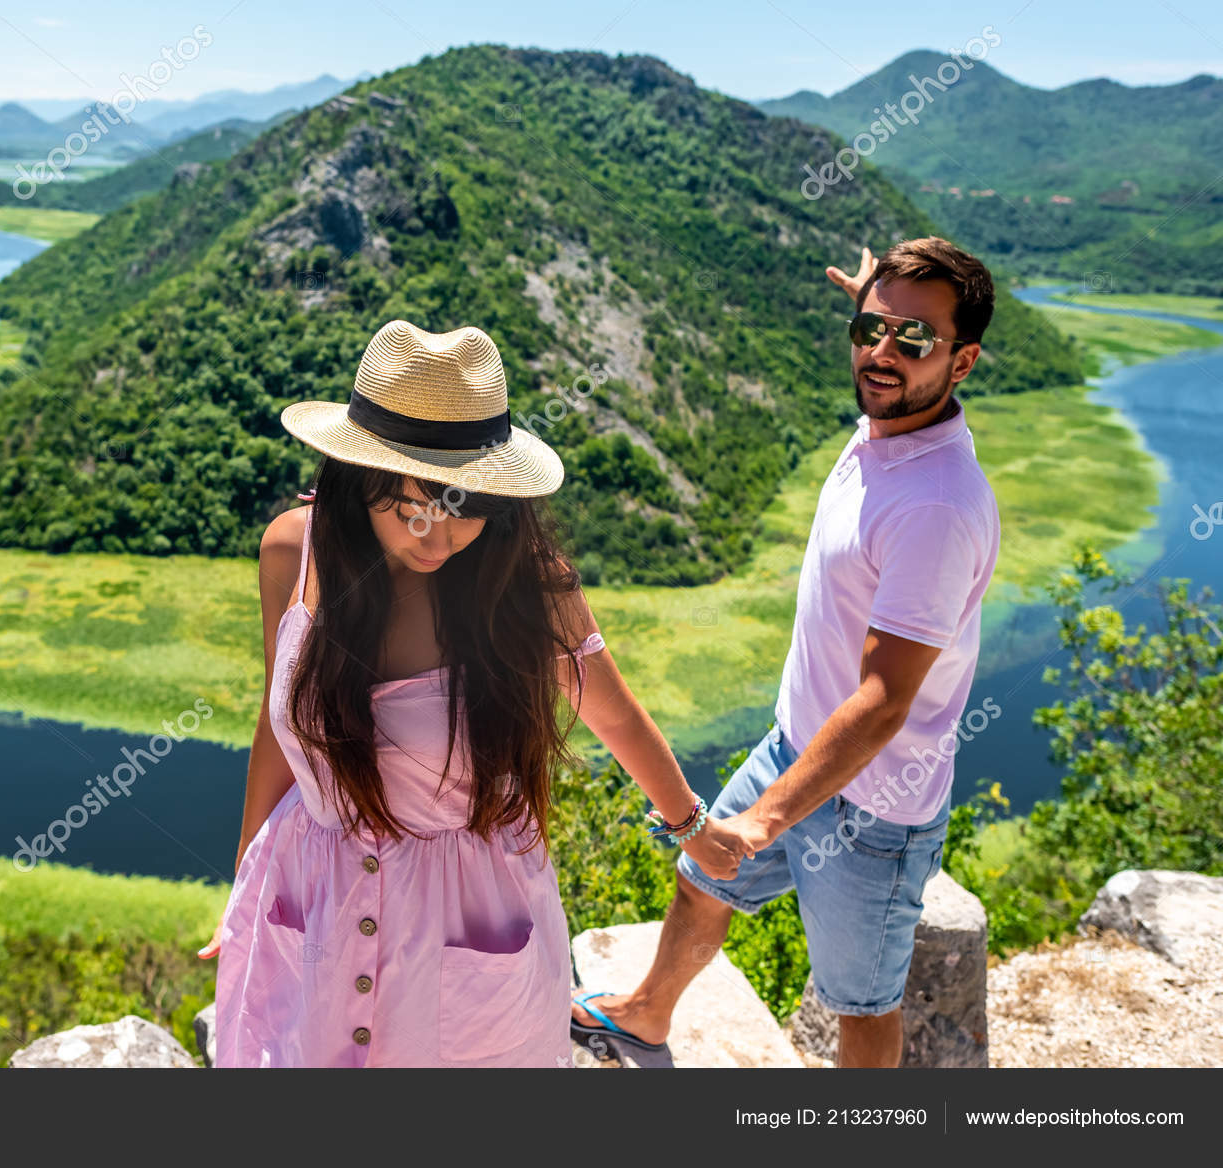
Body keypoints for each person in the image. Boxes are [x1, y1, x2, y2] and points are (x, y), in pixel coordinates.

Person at [197, 319, 750, 1067]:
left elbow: (609, 710)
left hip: (465, 908)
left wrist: (693, 828)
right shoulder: (293, 550)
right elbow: (278, 725)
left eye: (471, 502)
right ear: (362, 474)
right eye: (416, 501)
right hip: (312, 891)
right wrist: (244, 888)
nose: (440, 534)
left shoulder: (521, 580)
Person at [570, 237, 1002, 1067]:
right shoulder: (889, 422)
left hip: (873, 806)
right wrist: (882, 296)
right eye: (870, 327)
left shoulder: (938, 505)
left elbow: (884, 702)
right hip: (794, 745)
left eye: (915, 341)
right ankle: (648, 1012)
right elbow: (890, 334)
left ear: (964, 362)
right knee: (703, 880)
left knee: (861, 1002)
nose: (881, 352)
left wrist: (764, 821)